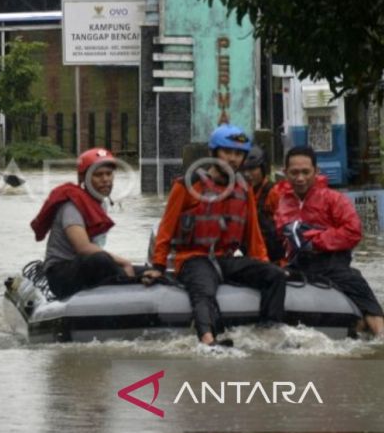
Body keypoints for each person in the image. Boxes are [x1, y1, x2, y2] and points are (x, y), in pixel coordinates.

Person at [142, 124, 287, 346]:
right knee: (204, 290)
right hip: (192, 258)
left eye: (238, 154)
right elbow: (166, 229)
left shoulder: (244, 189)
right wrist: (158, 266)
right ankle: (208, 340)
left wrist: (264, 265)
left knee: (275, 276)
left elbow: (253, 237)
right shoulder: (187, 185)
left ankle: (270, 333)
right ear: (213, 153)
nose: (233, 159)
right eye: (227, 152)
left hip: (225, 259)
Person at [275, 145, 384, 338]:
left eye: (305, 172)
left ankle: (378, 332)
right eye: (294, 172)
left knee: (362, 293)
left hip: (332, 264)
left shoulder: (334, 199)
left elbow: (353, 231)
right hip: (297, 265)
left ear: (316, 172)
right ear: (285, 173)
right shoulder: (281, 200)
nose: (300, 178)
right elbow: (277, 235)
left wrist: (316, 241)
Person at [31, 148, 135, 299]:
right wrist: (125, 263)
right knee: (101, 259)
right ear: (83, 179)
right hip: (62, 274)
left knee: (145, 271)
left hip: (89, 266)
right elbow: (84, 248)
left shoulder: (100, 203)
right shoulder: (72, 206)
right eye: (98, 175)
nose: (106, 179)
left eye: (109, 174)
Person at [241, 146, 285, 263]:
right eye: (244, 170)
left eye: (252, 169)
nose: (247, 174)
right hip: (249, 251)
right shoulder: (240, 193)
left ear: (263, 168)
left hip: (272, 253)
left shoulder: (274, 193)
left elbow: (285, 229)